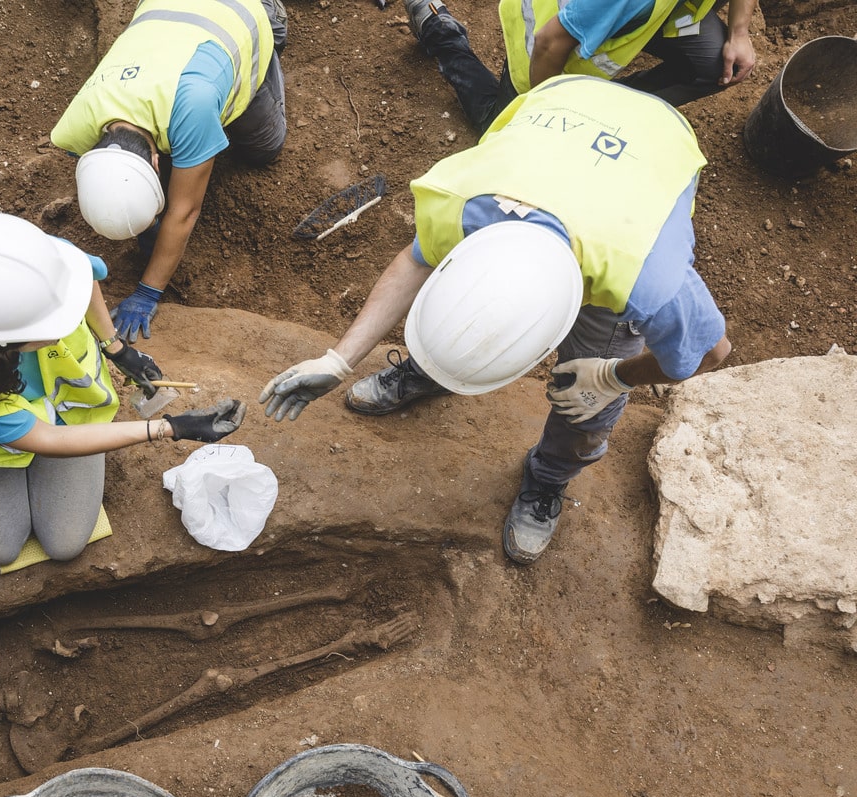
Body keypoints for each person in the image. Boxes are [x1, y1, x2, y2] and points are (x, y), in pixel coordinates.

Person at [258, 76, 731, 565]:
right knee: (457, 322)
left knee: (586, 403)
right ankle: (433, 369)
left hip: (657, 141)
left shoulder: (644, 277)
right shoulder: (461, 206)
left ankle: (548, 479)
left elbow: (712, 353)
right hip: (565, 98)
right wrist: (338, 360)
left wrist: (615, 376)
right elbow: (415, 263)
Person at [0, 212, 246, 567]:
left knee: (64, 544)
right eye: (49, 324)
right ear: (1, 347)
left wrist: (116, 348)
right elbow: (48, 439)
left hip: (69, 414)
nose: (64, 327)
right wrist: (171, 427)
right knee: (0, 549)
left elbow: (82, 279)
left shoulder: (36, 262)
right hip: (8, 437)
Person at [50, 0, 288, 343]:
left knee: (263, 147)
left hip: (240, 11)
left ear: (158, 161)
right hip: (170, 15)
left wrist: (148, 292)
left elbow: (184, 211)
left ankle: (272, 26)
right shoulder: (75, 124)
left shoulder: (193, 104)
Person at [404, 0, 757, 134]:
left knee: (715, 65)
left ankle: (593, 116)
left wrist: (739, 32)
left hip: (646, 14)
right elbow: (549, 42)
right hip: (542, 42)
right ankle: (439, 29)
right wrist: (546, 120)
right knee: (504, 130)